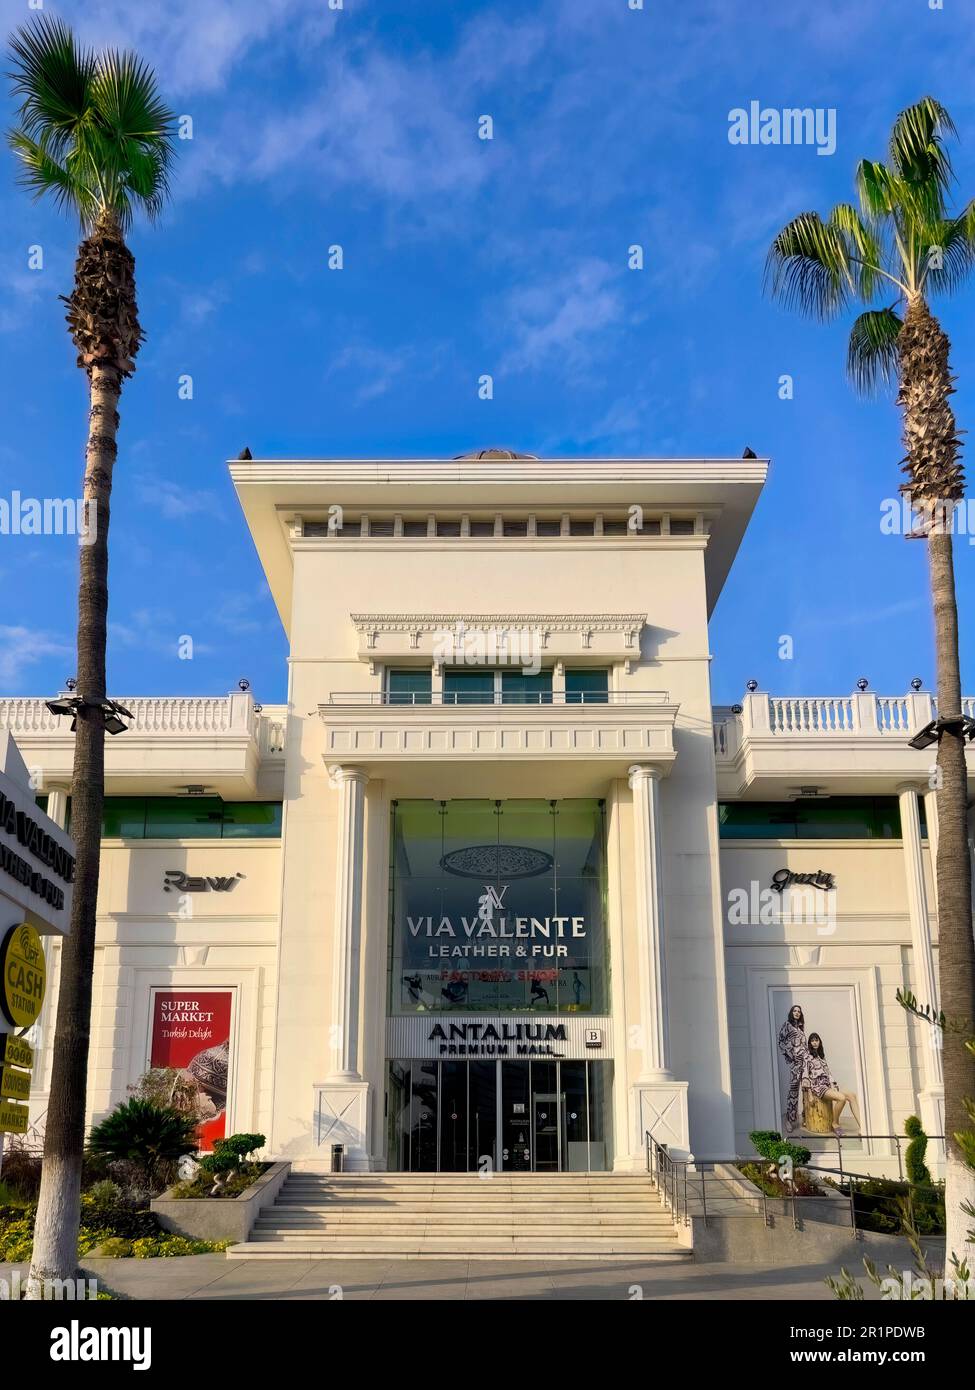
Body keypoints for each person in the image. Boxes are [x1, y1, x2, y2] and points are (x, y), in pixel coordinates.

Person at [801, 1033, 862, 1136]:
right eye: (812, 1041)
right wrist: (810, 1094)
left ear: (819, 1042)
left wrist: (834, 1085)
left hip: (828, 1086)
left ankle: (862, 1128)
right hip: (818, 1087)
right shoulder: (807, 1057)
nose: (815, 1042)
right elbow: (805, 1076)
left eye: (817, 1040)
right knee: (842, 1098)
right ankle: (835, 1123)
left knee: (852, 1095)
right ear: (810, 1043)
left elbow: (828, 1073)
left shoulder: (821, 1057)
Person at [777, 1004, 807, 1135]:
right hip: (795, 1064)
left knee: (806, 1089)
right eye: (795, 1011)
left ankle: (806, 1117)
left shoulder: (800, 1028)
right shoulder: (787, 1025)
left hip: (805, 1063)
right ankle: (789, 1120)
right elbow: (780, 1041)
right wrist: (791, 1055)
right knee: (794, 1090)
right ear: (791, 1012)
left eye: (799, 1011)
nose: (797, 1013)